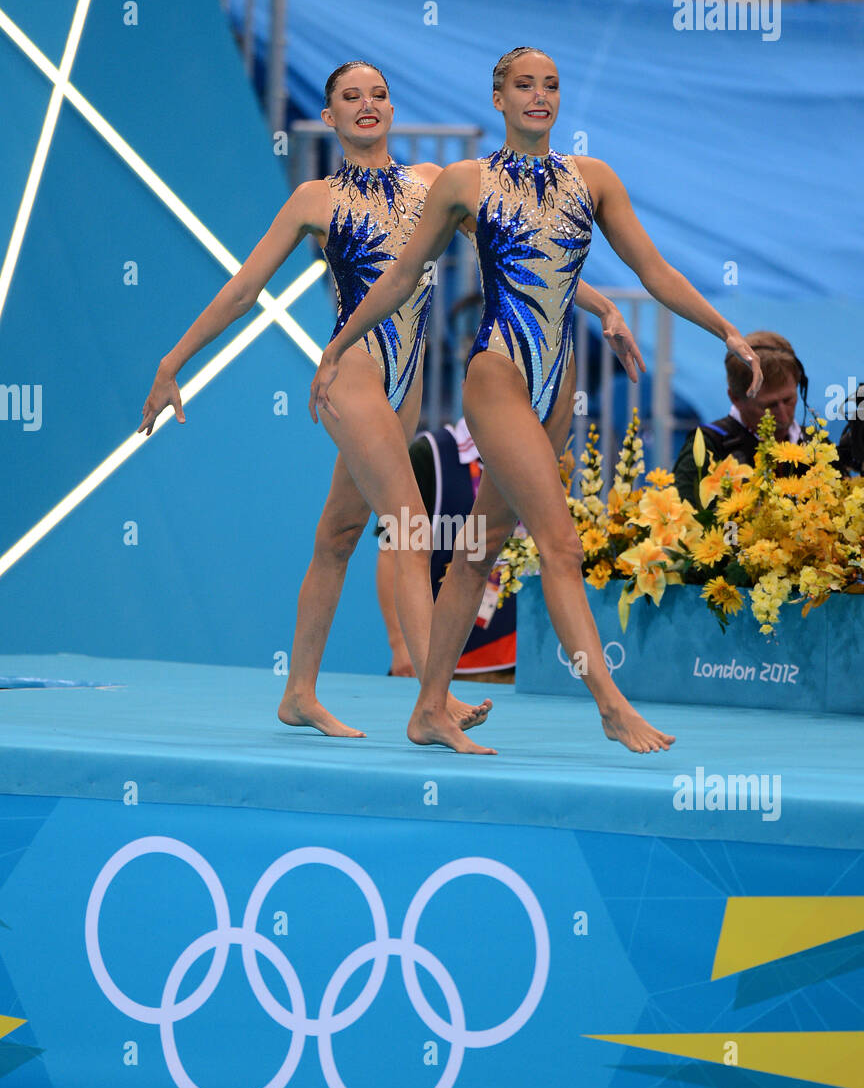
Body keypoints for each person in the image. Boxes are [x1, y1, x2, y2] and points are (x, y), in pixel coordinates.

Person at [139, 59, 634, 739]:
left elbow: (518, 260)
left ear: (392, 111)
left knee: (338, 535)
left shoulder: (431, 185)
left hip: (406, 384)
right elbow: (243, 289)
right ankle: (437, 696)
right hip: (353, 376)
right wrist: (173, 362)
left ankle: (299, 692)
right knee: (409, 521)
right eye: (350, 97)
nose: (366, 105)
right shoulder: (313, 199)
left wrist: (603, 303)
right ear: (330, 116)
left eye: (378, 95)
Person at [309, 46, 763, 755]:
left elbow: (655, 270)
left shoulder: (594, 179)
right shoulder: (465, 182)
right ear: (498, 98)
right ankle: (611, 706)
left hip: (560, 380)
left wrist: (725, 329)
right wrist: (339, 348)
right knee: (559, 543)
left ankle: (429, 709)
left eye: (551, 85)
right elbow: (398, 279)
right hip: (499, 376)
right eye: (524, 85)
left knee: (478, 552)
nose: (539, 96)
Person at [376, 417, 517, 680]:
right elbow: (390, 554)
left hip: (519, 667)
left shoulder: (528, 460)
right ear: (466, 388)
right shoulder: (428, 455)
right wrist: (400, 644)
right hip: (439, 668)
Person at [673, 332, 806, 508]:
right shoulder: (709, 447)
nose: (783, 416)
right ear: (735, 398)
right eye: (769, 406)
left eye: (788, 400)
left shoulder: (814, 446)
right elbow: (681, 521)